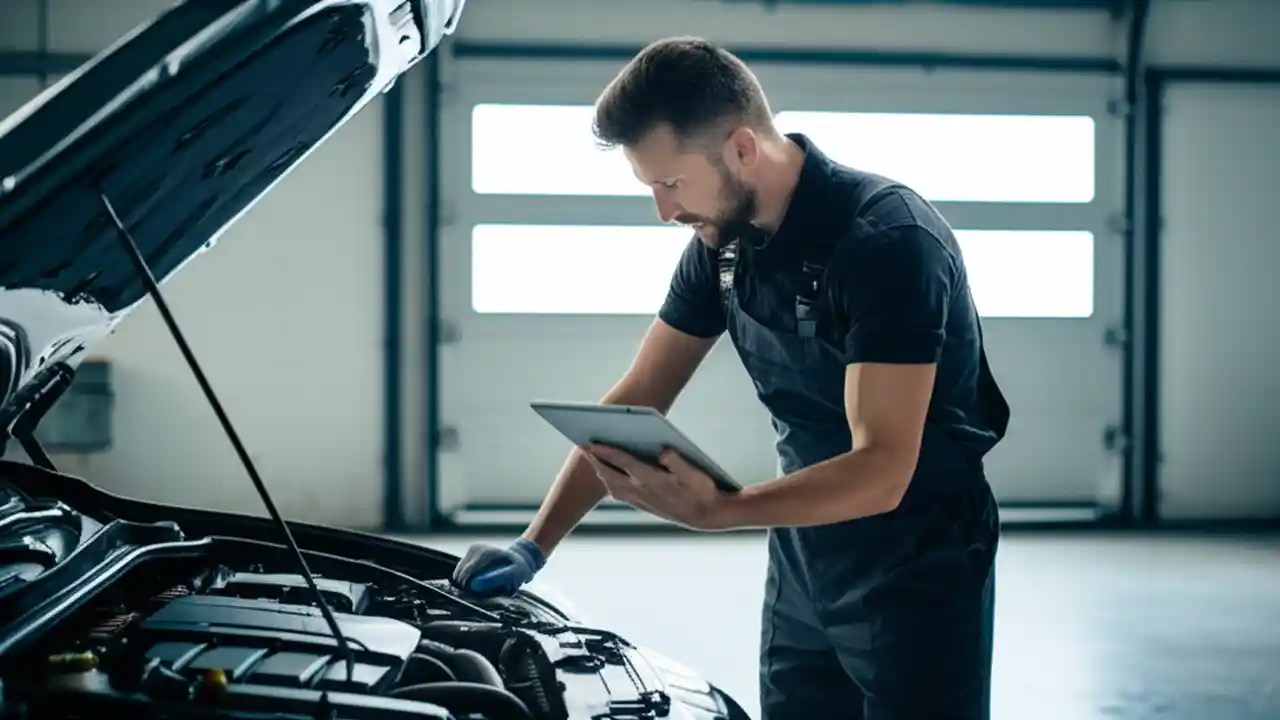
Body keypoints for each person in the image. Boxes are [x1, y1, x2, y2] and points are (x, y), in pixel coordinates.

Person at [451, 36, 1011, 720]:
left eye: (672, 183)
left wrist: (723, 510)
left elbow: (884, 467)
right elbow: (635, 400)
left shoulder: (888, 243)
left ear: (742, 148)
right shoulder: (721, 247)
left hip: (920, 565)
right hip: (803, 559)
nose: (663, 210)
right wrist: (534, 546)